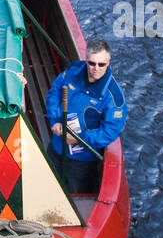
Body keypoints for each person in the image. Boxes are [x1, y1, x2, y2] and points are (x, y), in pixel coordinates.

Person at [45, 40, 127, 196]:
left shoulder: (114, 97)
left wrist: (79, 138)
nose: (95, 69)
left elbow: (110, 131)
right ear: (86, 59)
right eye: (91, 63)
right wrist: (54, 120)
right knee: (47, 183)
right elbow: (55, 92)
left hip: (82, 161)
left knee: (75, 196)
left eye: (101, 64)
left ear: (108, 63)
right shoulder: (73, 70)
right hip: (56, 145)